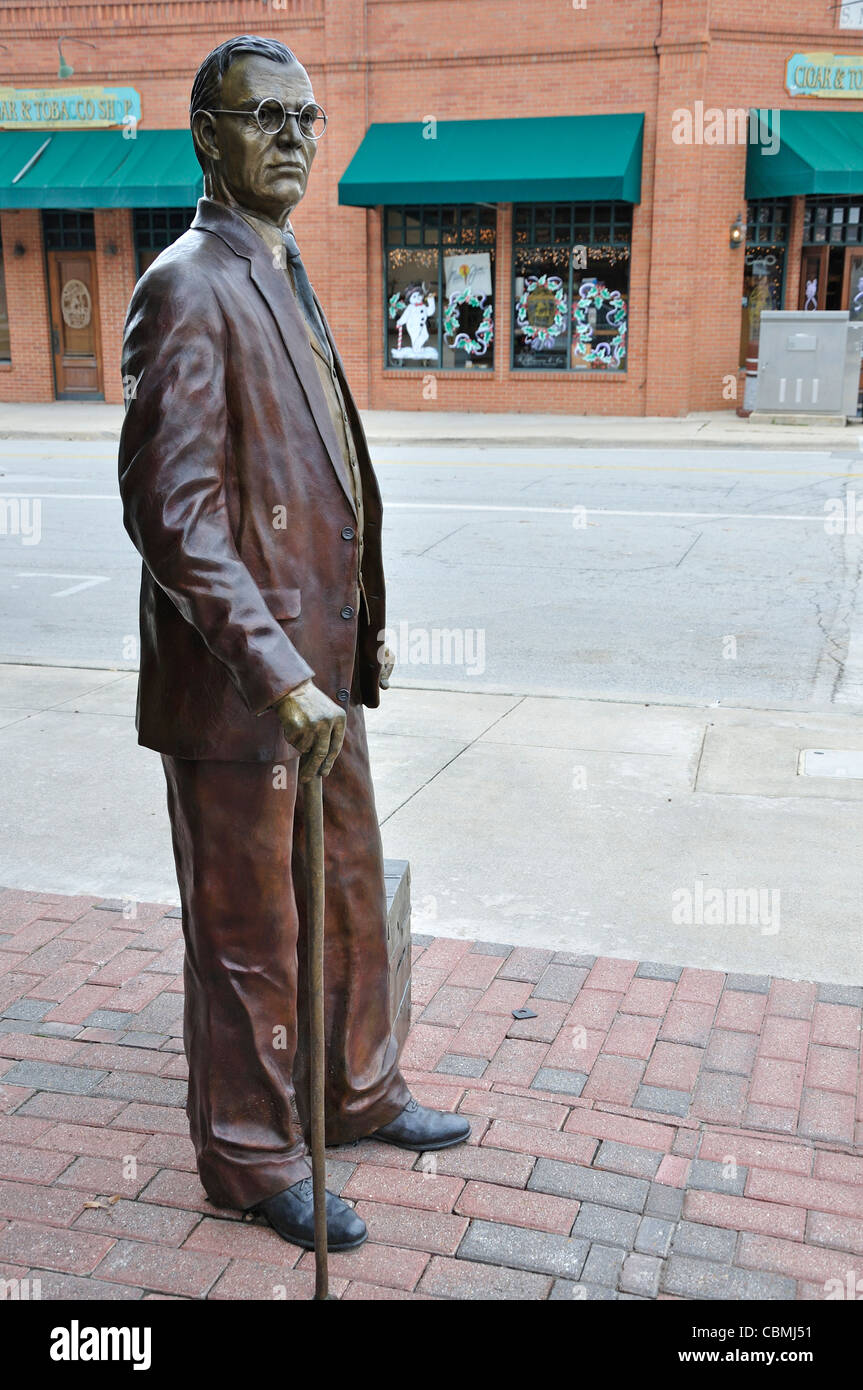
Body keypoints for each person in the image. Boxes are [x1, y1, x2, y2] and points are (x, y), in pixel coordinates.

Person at [118, 34, 468, 1253]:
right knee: (248, 938)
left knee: (347, 896)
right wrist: (275, 670)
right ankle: (252, 1155)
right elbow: (173, 513)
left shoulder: (279, 264)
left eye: (306, 117)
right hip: (238, 693)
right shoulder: (186, 281)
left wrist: (340, 654)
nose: (293, 137)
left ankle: (355, 1091)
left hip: (320, 680)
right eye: (262, 116)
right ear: (205, 135)